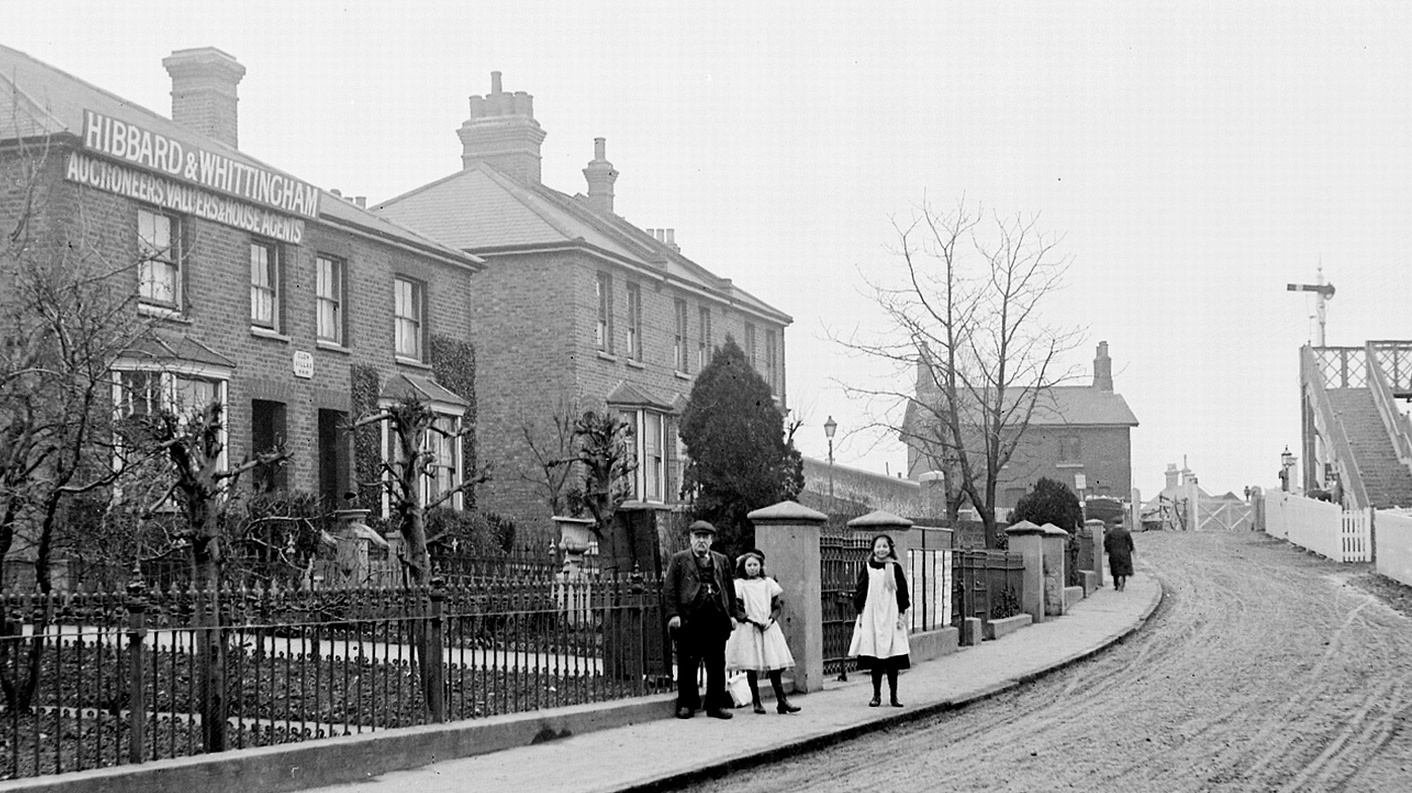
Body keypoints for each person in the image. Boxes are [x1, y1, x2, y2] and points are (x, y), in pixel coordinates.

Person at [664, 520, 738, 720]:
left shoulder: (721, 560)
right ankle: (687, 705)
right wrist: (673, 615)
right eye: (698, 537)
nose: (701, 541)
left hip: (715, 620)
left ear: (711, 540)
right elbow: (669, 590)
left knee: (716, 665)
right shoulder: (679, 559)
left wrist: (733, 615)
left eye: (705, 538)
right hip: (690, 620)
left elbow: (730, 589)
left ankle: (715, 706)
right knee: (688, 664)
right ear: (691, 539)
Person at [725, 550, 801, 715]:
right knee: (752, 666)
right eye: (749, 565)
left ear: (761, 567)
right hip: (750, 628)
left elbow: (777, 606)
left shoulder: (768, 583)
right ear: (743, 567)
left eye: (755, 565)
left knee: (773, 664)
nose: (752, 568)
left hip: (767, 627)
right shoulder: (740, 585)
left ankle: (782, 700)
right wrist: (750, 619)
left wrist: (770, 619)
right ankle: (757, 701)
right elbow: (737, 607)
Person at [848, 533, 910, 708]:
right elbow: (861, 591)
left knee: (892, 657)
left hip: (891, 615)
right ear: (873, 549)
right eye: (878, 546)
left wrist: (901, 614)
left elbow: (902, 592)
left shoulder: (894, 568)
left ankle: (894, 696)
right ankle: (876, 695)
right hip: (872, 614)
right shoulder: (867, 568)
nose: (881, 550)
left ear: (890, 549)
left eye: (885, 546)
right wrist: (860, 612)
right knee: (875, 657)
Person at [1104, 521, 1136, 591]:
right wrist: (1130, 549)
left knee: (1115, 568)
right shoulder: (1126, 532)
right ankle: (1123, 582)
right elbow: (1130, 542)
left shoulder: (1110, 532)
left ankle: (1116, 584)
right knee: (1123, 568)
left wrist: (1108, 550)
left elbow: (1106, 542)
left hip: (1113, 553)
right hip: (1124, 553)